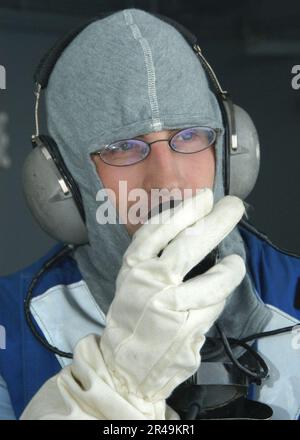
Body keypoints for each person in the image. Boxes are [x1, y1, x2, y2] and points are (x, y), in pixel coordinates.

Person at [0, 8, 299, 420]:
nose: (168, 182)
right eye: (122, 147)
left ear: (231, 151)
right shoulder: (9, 329)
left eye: (190, 136)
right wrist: (118, 386)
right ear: (64, 180)